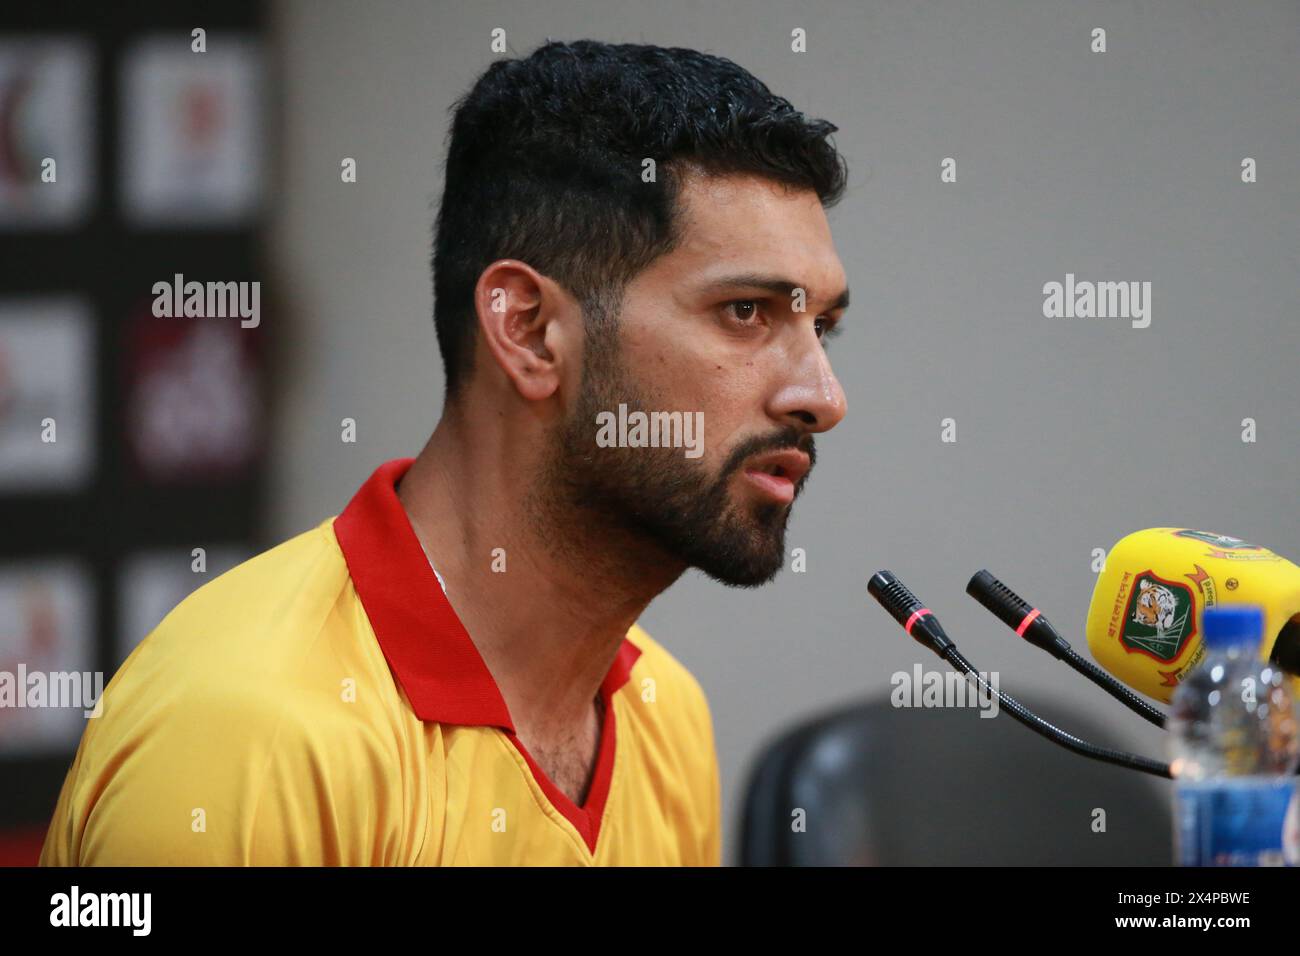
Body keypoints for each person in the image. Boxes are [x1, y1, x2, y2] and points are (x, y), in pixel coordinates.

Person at [40, 39, 850, 866]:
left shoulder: (663, 713)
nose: (823, 398)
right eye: (746, 313)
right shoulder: (250, 732)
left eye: (821, 326)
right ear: (529, 331)